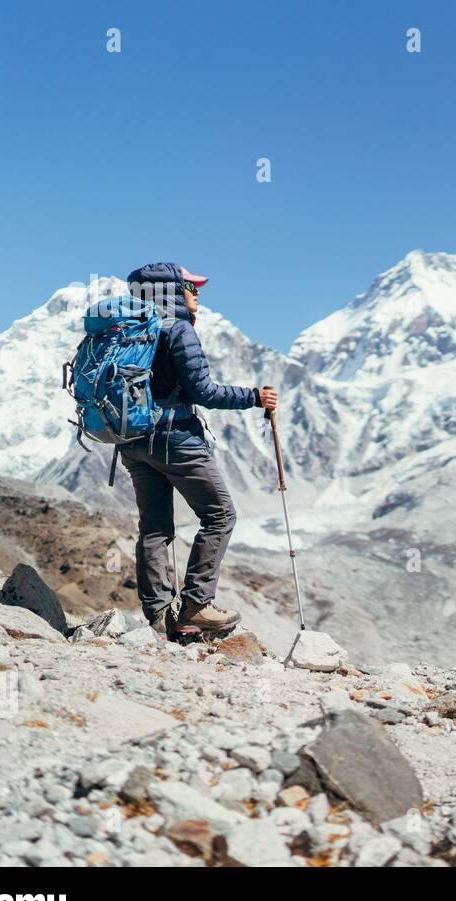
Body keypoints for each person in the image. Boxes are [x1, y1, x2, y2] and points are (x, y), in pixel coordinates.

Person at [121, 262, 278, 635]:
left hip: (132, 441)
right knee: (220, 516)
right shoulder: (178, 331)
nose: (197, 295)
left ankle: (159, 618)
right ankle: (195, 606)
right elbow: (203, 392)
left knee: (155, 529)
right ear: (172, 291)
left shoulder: (126, 332)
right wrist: (254, 397)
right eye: (191, 288)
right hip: (175, 439)